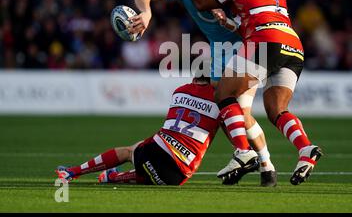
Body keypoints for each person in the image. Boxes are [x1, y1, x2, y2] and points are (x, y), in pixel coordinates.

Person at [127, 0, 277, 186]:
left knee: (240, 109)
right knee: (230, 112)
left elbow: (251, 14)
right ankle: (258, 163)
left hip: (245, 47)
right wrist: (146, 13)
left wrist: (229, 19)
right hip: (219, 52)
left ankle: (264, 163)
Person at [185, 0, 323, 185]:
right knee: (277, 110)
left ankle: (243, 152)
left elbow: (203, 3)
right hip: (293, 44)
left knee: (224, 93)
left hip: (265, 41)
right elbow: (261, 11)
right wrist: (234, 24)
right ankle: (305, 149)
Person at [55, 75, 236, 185]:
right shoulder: (219, 100)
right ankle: (113, 178)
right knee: (155, 171)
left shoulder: (180, 90)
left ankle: (73, 172)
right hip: (179, 176)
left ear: (195, 78)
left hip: (157, 152)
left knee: (131, 151)